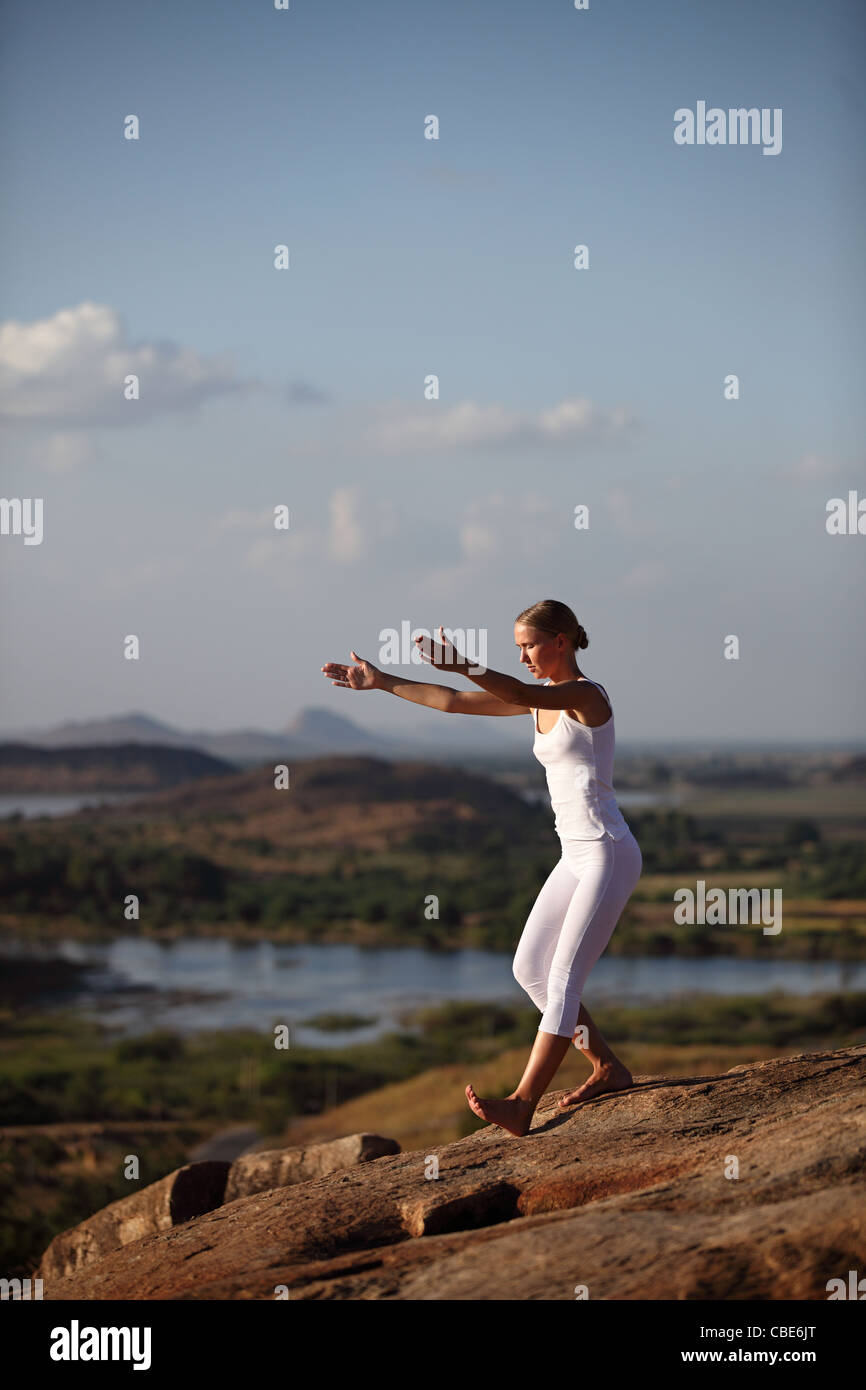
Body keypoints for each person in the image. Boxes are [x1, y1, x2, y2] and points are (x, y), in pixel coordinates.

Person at [320, 598, 642, 1137]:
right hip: (574, 855)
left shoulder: (586, 696)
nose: (522, 657)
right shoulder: (537, 703)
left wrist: (464, 661)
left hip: (608, 852)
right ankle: (607, 1066)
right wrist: (382, 681)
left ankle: (522, 1102)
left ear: (561, 641)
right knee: (529, 970)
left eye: (529, 646)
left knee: (562, 977)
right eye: (517, 648)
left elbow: (514, 691)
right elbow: (451, 701)